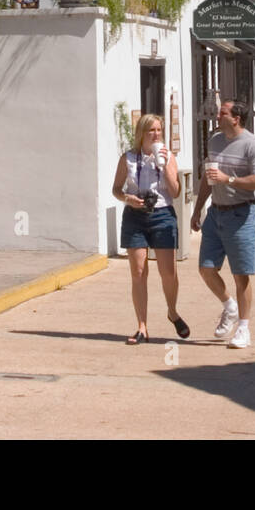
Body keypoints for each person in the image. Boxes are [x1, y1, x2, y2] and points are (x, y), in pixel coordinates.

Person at [191, 99, 255, 350]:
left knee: (241, 276)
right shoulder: (215, 141)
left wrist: (230, 179)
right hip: (216, 213)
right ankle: (229, 306)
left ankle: (244, 328)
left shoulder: (253, 145)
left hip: (242, 215)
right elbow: (208, 176)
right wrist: (197, 208)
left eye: (223, 112)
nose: (217, 114)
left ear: (236, 118)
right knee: (206, 268)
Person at [113, 114, 187, 344]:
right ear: (141, 134)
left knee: (168, 273)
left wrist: (163, 167)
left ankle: (172, 312)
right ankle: (142, 326)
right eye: (151, 131)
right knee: (138, 272)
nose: (156, 135)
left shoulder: (168, 157)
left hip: (162, 215)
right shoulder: (128, 158)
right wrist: (127, 198)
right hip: (135, 216)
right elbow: (116, 189)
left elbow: (175, 192)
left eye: (159, 130)